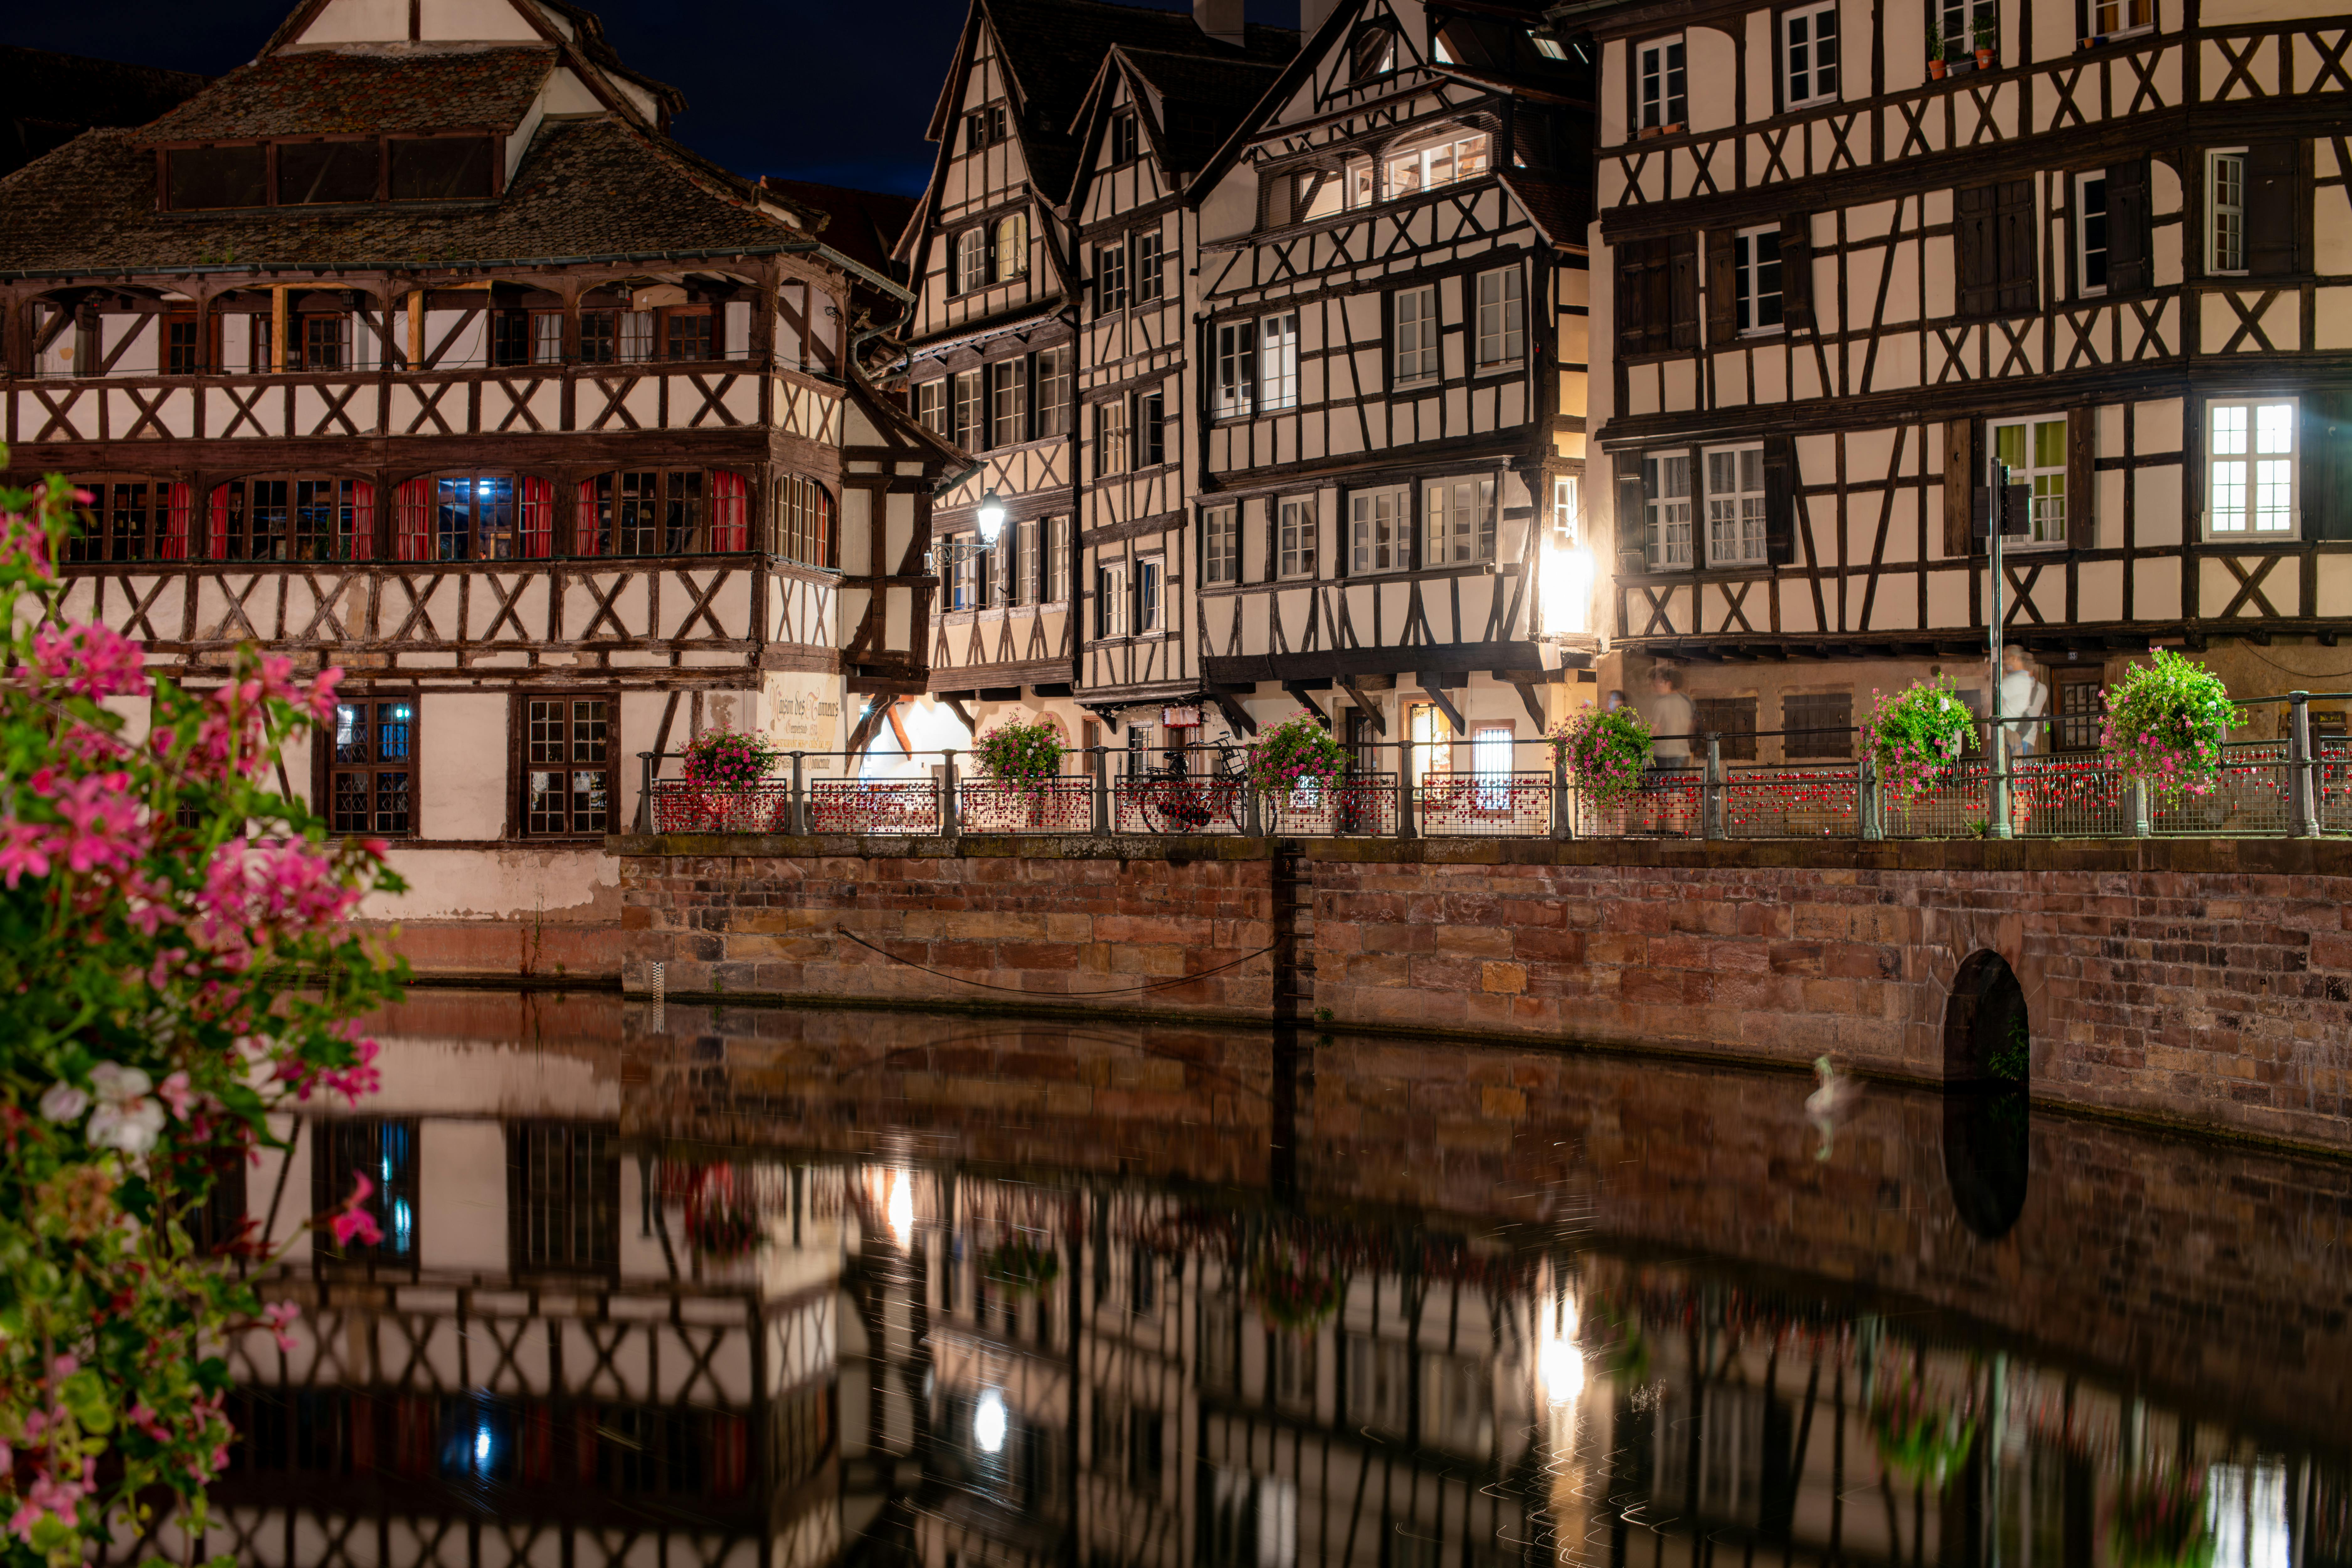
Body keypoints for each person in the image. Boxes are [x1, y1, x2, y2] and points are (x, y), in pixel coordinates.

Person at [1996, 646, 2049, 756]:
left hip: (2015, 736)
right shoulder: (2043, 689)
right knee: (2023, 770)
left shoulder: (2016, 683)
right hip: (2029, 737)